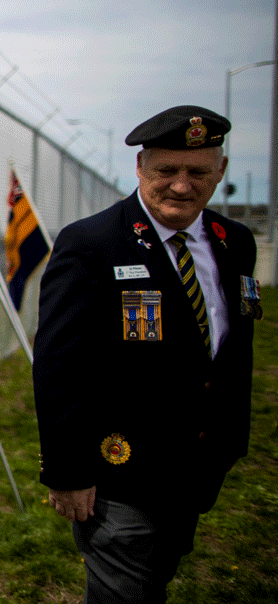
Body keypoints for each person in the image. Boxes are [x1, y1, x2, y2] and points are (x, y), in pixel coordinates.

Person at [33, 105, 261, 603]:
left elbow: (234, 347)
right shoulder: (93, 243)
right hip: (121, 472)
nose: (181, 186)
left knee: (156, 579)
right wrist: (68, 471)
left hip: (198, 466)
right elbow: (58, 366)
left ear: (221, 170)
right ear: (139, 167)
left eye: (198, 172)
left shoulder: (234, 243)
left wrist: (230, 440)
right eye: (166, 170)